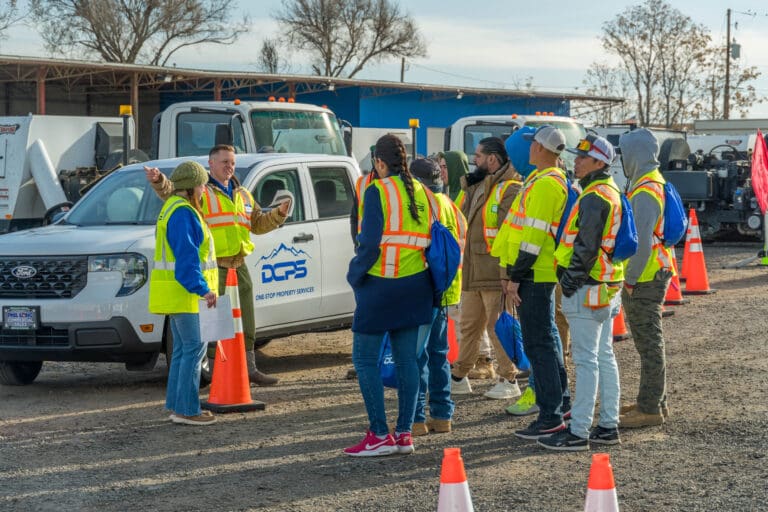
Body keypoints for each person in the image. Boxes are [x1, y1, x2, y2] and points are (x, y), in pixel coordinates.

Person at [145, 145, 290, 386]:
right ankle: (215, 373)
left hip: (239, 265)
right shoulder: (202, 191)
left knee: (246, 320)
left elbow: (257, 223)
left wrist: (278, 214)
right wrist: (159, 181)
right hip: (216, 268)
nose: (229, 166)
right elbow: (174, 192)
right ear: (211, 164)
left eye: (232, 162)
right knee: (214, 323)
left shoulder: (242, 194)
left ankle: (249, 368)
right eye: (224, 162)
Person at [344, 134, 437, 456]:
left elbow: (369, 244)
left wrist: (355, 276)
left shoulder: (377, 190)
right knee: (407, 360)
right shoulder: (424, 192)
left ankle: (379, 434)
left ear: (380, 163)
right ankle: (404, 434)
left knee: (365, 358)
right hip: (417, 285)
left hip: (381, 284)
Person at [539, 134, 624, 451]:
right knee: (603, 357)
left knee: (587, 361)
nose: (576, 161)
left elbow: (585, 248)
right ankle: (608, 426)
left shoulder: (594, 196)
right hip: (606, 284)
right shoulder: (609, 191)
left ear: (599, 162)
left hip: (587, 287)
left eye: (583, 157)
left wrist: (568, 282)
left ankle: (578, 432)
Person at [496, 125, 570, 440]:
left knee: (539, 346)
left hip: (535, 274)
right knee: (546, 342)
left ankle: (550, 415)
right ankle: (561, 405)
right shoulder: (543, 181)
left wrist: (515, 276)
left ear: (539, 148)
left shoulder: (545, 185)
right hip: (538, 273)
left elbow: (532, 239)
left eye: (531, 144)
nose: (527, 149)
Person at [450, 137, 522, 400]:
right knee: (469, 325)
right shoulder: (480, 185)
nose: (474, 160)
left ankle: (509, 378)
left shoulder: (510, 188)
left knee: (496, 327)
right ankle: (459, 376)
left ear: (492, 158)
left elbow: (509, 235)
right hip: (474, 270)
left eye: (478, 156)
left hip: (494, 272)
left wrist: (507, 274)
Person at [148, 161, 218, 426]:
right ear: (191, 187)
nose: (204, 190)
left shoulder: (172, 207)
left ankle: (178, 406)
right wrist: (203, 289)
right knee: (193, 350)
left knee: (182, 350)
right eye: (201, 185)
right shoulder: (184, 213)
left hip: (176, 294)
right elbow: (187, 260)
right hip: (187, 295)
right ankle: (188, 410)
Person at [618, 128, 674, 428]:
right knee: (650, 342)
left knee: (649, 343)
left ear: (634, 155)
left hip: (645, 276)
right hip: (653, 271)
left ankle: (650, 407)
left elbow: (639, 244)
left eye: (624, 153)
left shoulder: (645, 190)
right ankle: (652, 400)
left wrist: (629, 279)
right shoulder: (652, 182)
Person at [410, 158, 467, 436]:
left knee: (416, 356)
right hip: (447, 289)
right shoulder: (450, 205)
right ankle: (443, 416)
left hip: (423, 288)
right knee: (439, 354)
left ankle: (416, 418)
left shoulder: (421, 204)